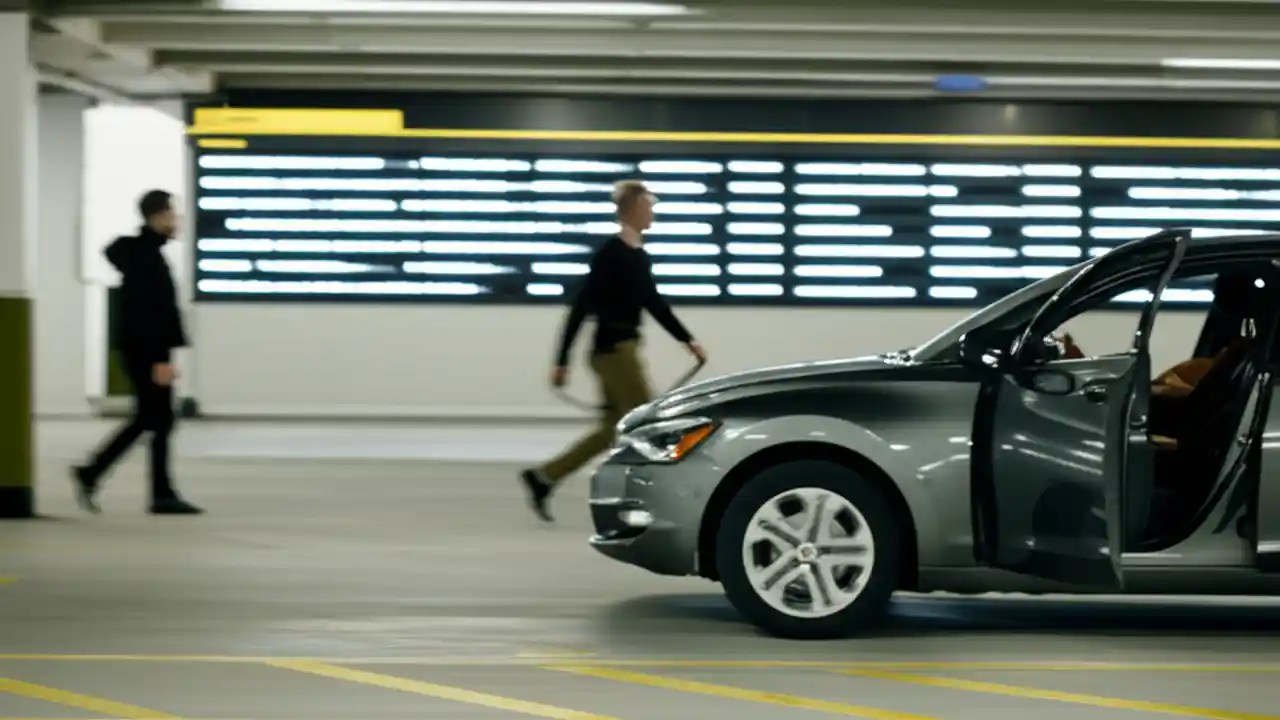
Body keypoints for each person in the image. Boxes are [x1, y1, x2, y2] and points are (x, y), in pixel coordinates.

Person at [519, 180, 707, 522]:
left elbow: (652, 301)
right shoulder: (611, 254)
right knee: (647, 425)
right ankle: (647, 500)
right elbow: (582, 305)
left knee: (611, 429)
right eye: (648, 207)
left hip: (622, 348)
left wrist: (687, 340)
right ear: (632, 210)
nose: (652, 213)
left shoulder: (638, 255)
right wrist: (561, 360)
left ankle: (544, 477)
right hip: (614, 351)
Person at [72, 190, 202, 515]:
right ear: (156, 217)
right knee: (158, 418)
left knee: (153, 418)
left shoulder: (145, 254)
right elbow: (148, 314)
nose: (175, 220)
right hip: (147, 352)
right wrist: (159, 359)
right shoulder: (146, 259)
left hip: (143, 350)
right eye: (170, 214)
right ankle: (158, 494)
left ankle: (96, 472)